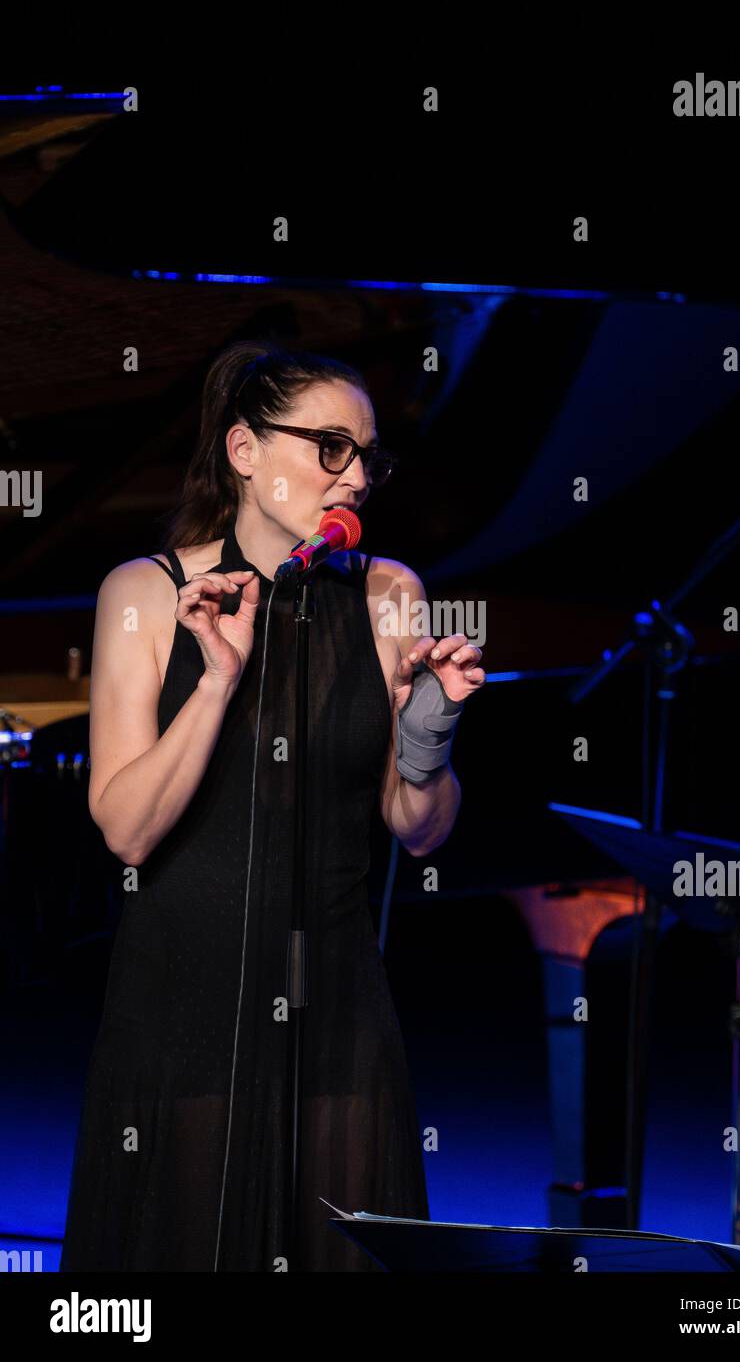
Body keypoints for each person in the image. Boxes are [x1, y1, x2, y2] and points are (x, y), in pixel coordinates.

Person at [58, 341, 486, 1272]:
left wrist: (429, 732)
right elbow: (126, 829)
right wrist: (216, 682)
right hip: (182, 1008)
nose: (357, 476)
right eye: (330, 446)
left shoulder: (389, 596)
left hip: (336, 1011)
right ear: (245, 451)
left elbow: (419, 829)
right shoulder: (144, 594)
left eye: (368, 454)